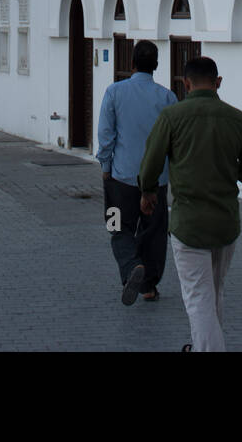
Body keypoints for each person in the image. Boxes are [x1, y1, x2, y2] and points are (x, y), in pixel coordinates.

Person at [139, 55, 242, 353]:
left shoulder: (172, 117)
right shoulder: (239, 120)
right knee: (214, 293)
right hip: (225, 223)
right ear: (218, 82)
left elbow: (150, 166)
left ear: (185, 83)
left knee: (198, 298)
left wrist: (147, 193)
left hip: (188, 224)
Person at [96, 39, 177, 305]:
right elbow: (173, 141)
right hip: (156, 181)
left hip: (121, 178)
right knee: (153, 233)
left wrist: (105, 166)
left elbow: (106, 134)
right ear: (156, 65)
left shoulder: (114, 92)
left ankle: (131, 266)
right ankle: (149, 286)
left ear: (131, 63)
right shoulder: (167, 97)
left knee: (118, 227)